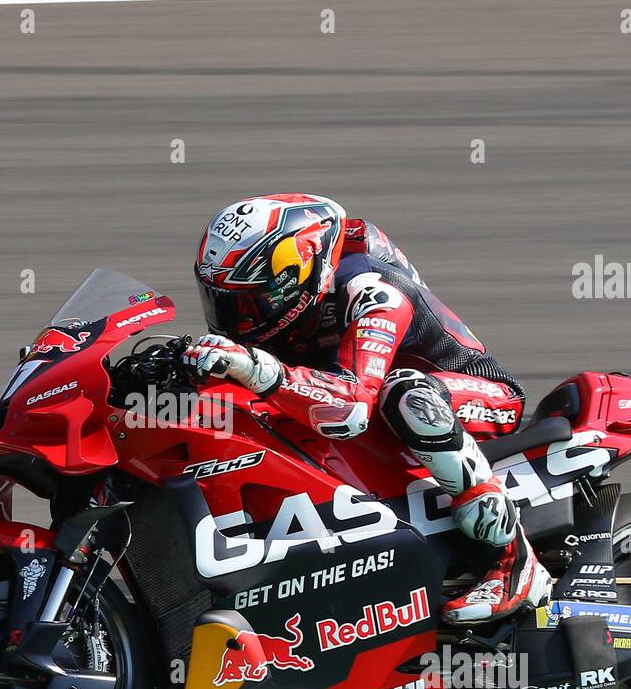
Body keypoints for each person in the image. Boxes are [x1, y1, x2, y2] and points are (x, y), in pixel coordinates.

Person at [183, 193, 551, 624]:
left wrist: (255, 367)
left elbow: (348, 408)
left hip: (474, 397)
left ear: (299, 273)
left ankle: (511, 561)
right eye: (222, 301)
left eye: (250, 302)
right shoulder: (293, 307)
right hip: (369, 402)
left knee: (407, 395)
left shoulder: (374, 292)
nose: (236, 320)